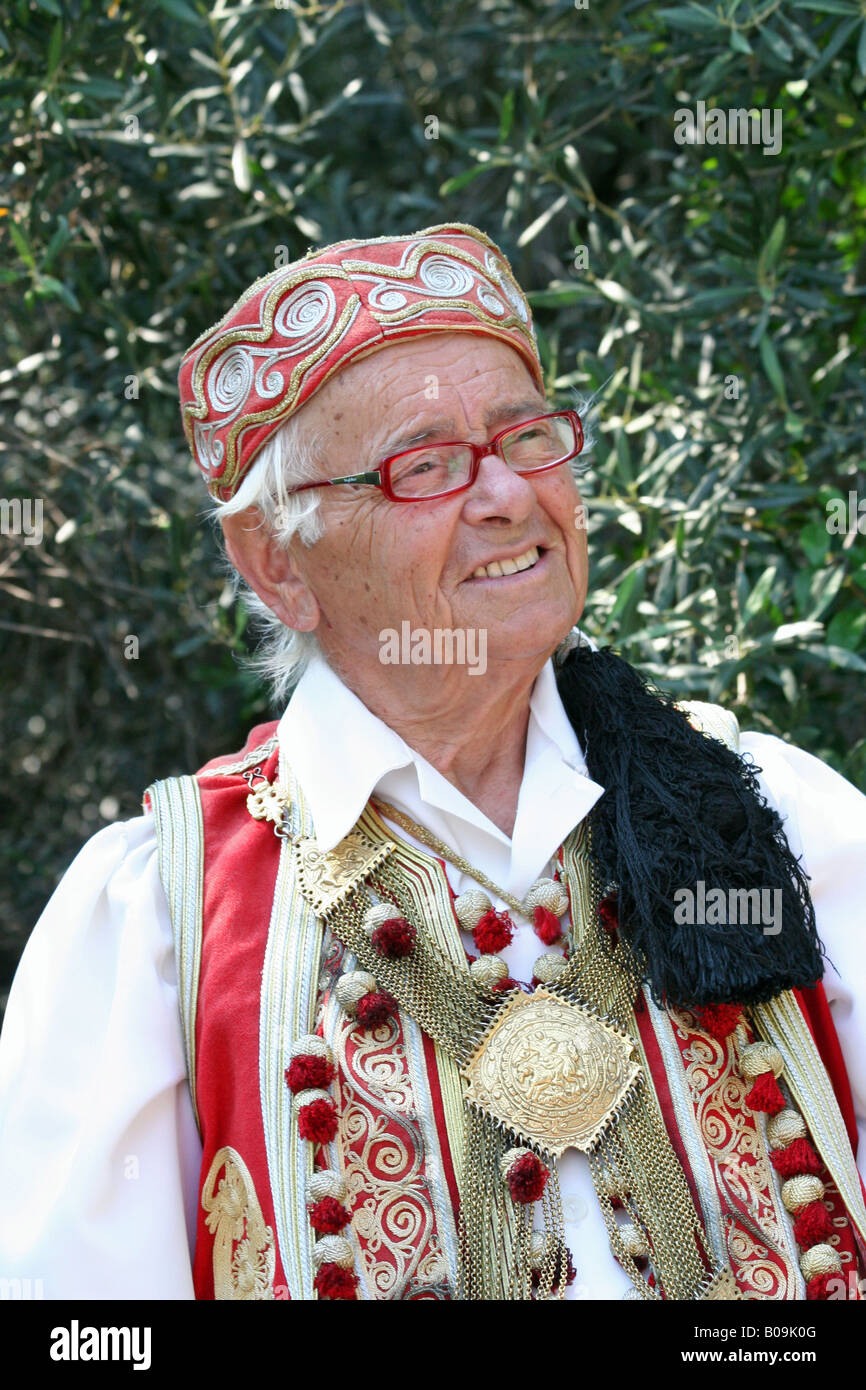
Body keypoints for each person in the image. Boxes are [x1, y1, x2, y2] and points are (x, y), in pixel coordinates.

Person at [1, 223, 864, 1302]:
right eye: (427, 465)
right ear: (277, 565)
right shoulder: (160, 920)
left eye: (528, 438)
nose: (507, 494)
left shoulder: (765, 809)